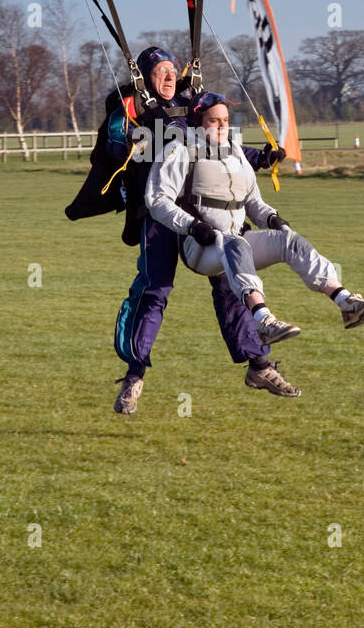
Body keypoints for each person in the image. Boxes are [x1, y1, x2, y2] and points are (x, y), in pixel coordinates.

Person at [97, 49, 300, 412]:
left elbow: (218, 144)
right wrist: (133, 133)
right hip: (158, 216)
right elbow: (115, 147)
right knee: (155, 290)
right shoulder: (130, 110)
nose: (170, 77)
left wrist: (259, 157)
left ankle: (259, 365)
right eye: (161, 72)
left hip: (201, 214)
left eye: (173, 70)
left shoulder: (190, 108)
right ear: (145, 76)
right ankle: (134, 376)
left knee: (231, 281)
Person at [144, 92, 364, 340]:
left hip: (236, 240)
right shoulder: (180, 149)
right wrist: (192, 226)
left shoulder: (234, 151)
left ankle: (346, 302)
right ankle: (263, 320)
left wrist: (272, 219)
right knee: (234, 243)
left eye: (226, 119)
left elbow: (252, 200)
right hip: (201, 248)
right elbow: (157, 200)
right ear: (198, 122)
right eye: (215, 120)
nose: (223, 125)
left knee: (290, 241)